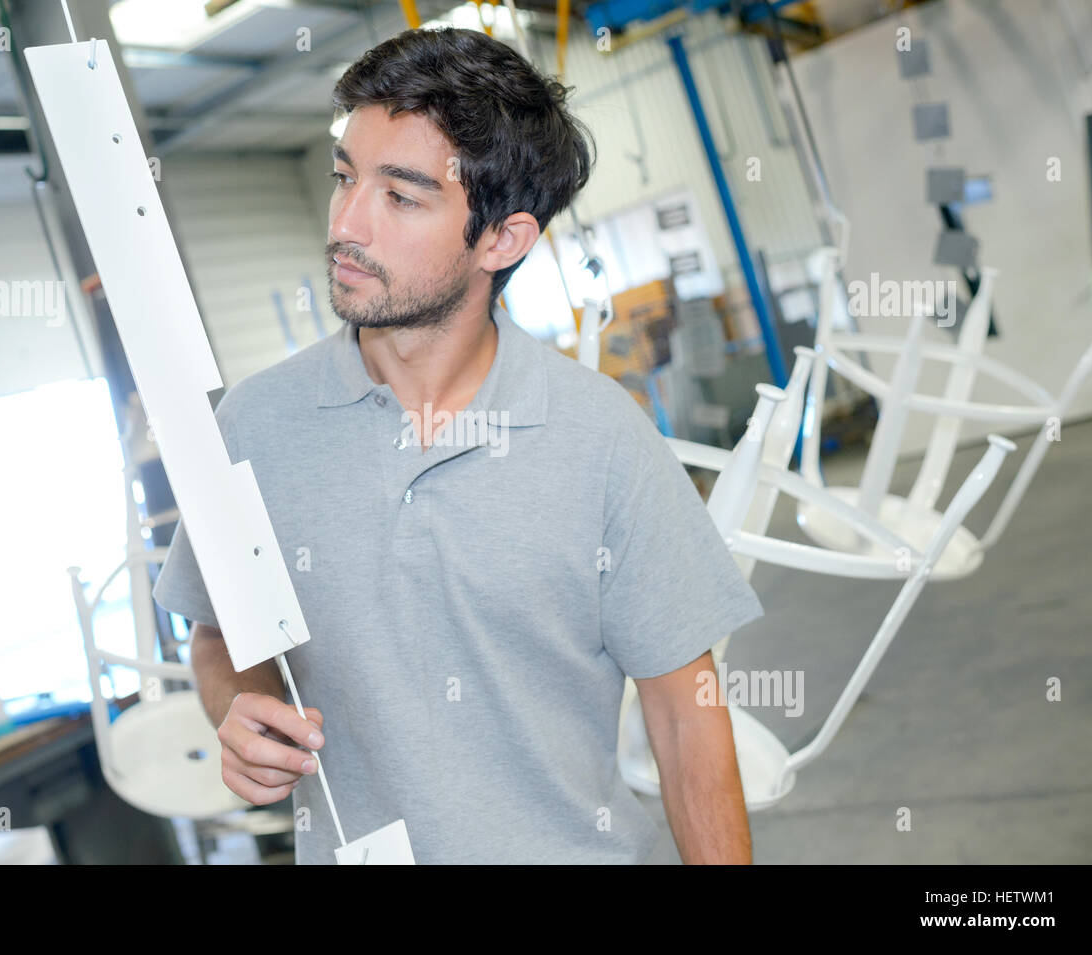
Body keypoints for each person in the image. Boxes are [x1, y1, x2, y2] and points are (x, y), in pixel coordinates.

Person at [152, 26, 764, 864]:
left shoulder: (602, 438)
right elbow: (221, 636)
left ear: (502, 240)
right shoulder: (254, 428)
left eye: (401, 197)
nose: (347, 224)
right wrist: (238, 705)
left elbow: (685, 709)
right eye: (344, 178)